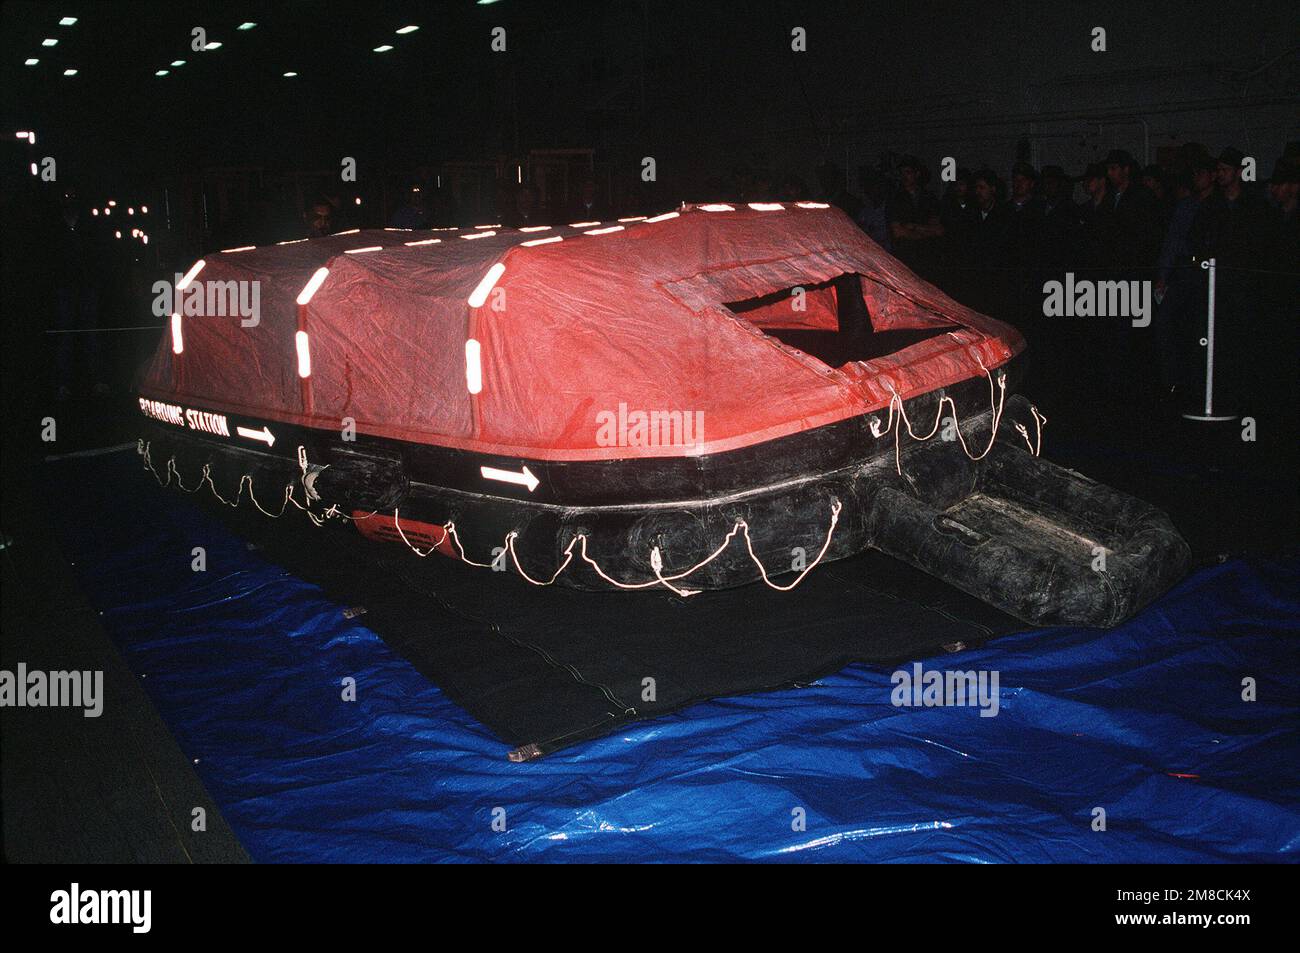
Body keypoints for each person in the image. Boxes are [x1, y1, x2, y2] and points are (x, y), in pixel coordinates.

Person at [886, 155, 943, 280]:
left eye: (908, 172)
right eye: (902, 173)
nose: (905, 177)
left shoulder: (929, 198)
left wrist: (913, 227)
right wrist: (925, 231)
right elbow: (898, 232)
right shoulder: (895, 199)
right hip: (904, 259)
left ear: (917, 173)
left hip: (927, 260)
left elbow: (938, 230)